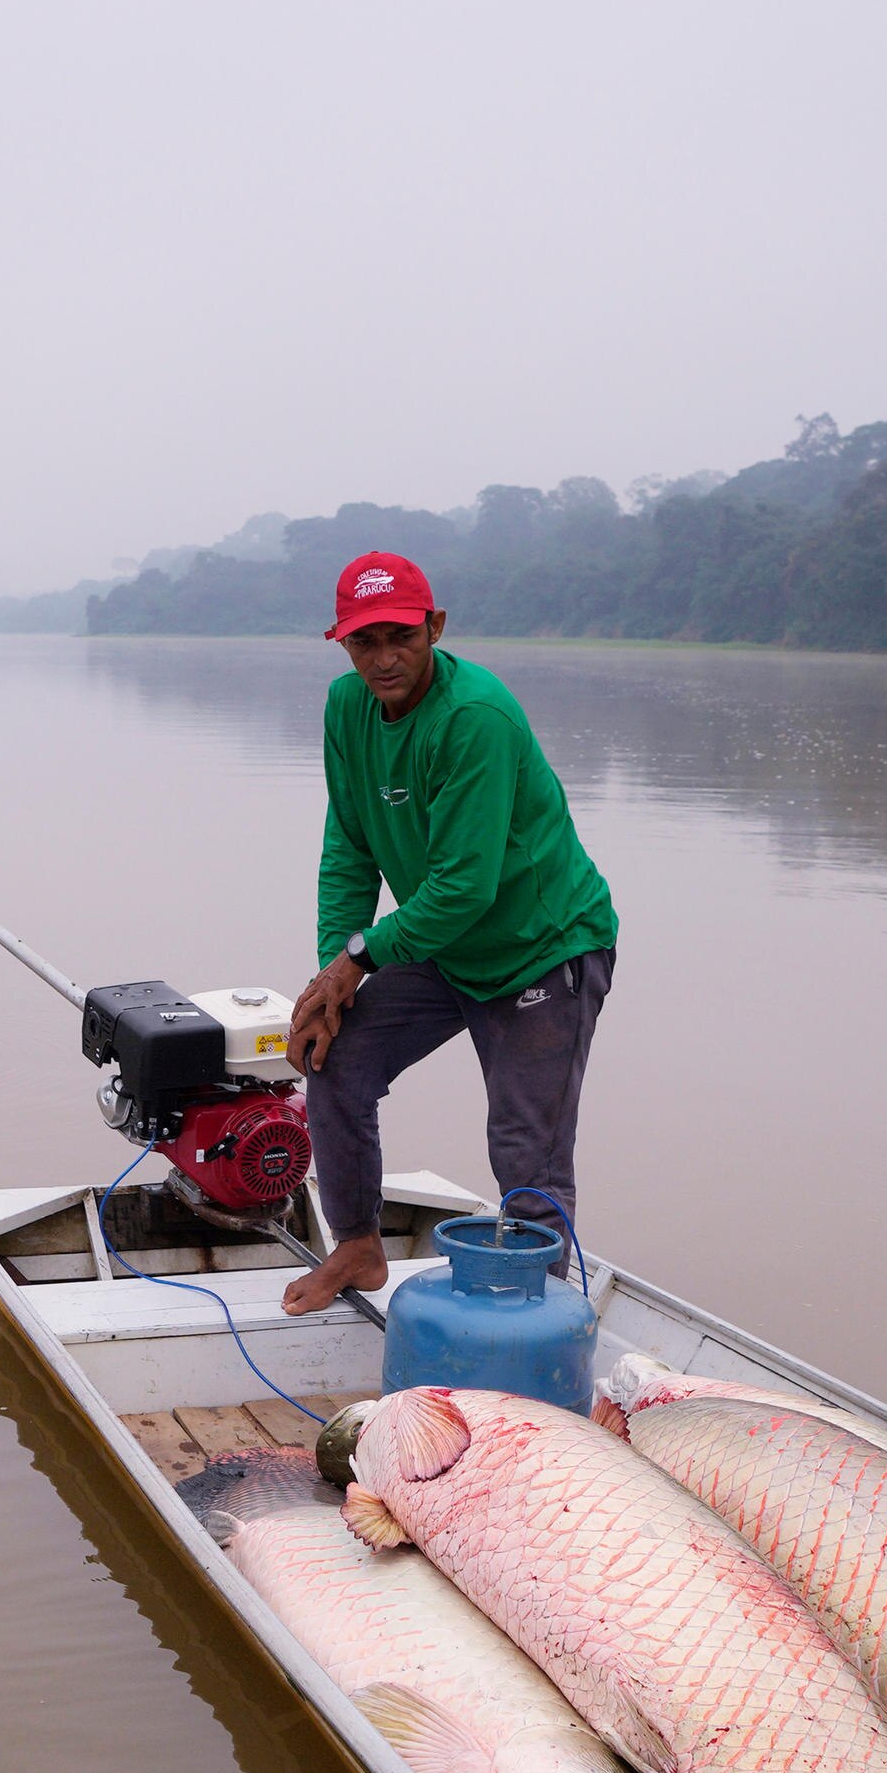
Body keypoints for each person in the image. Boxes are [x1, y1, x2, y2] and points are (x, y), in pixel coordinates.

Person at [278, 550, 622, 1313]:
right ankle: (357, 1244)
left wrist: (362, 955)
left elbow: (465, 886)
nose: (383, 659)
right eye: (364, 642)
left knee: (525, 1150)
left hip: (542, 949)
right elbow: (349, 849)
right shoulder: (347, 708)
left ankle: (538, 1317)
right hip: (442, 943)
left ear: (435, 627)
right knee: (334, 1054)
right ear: (341, 642)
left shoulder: (474, 718)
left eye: (401, 636)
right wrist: (335, 972)